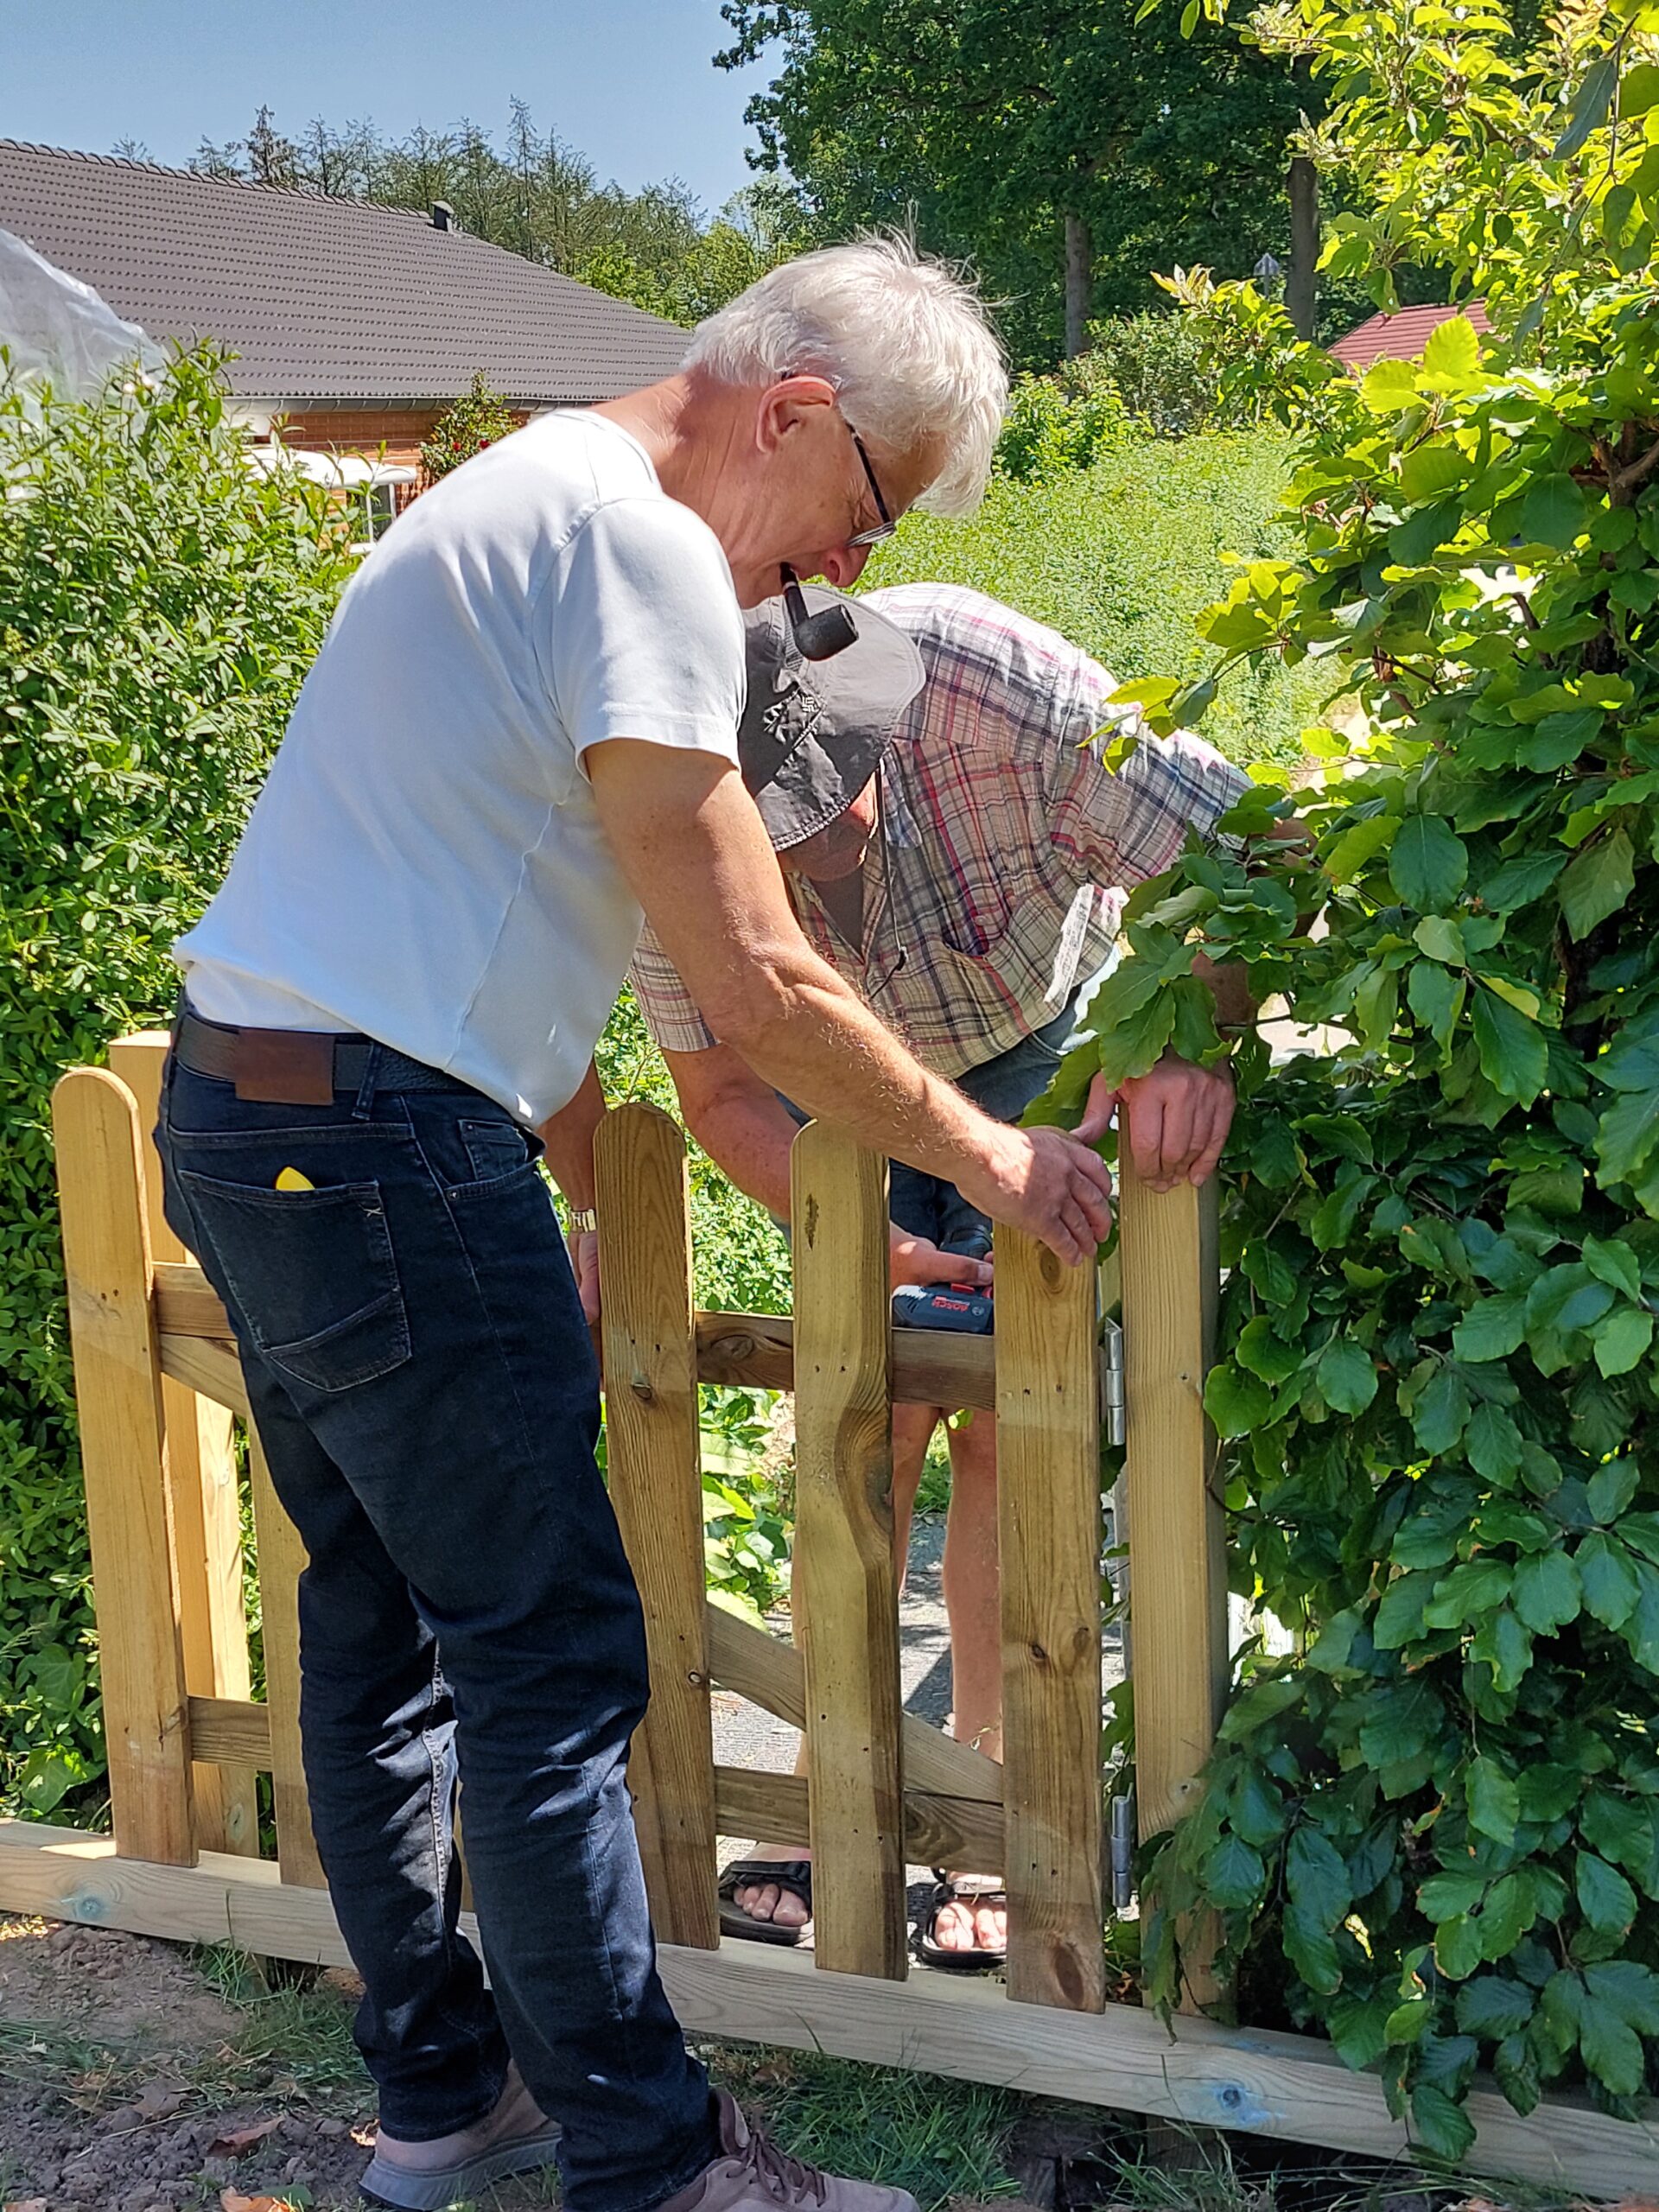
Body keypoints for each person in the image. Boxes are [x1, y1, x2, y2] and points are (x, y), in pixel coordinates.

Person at [156, 241, 1117, 2212]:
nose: (818, 583)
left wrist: (574, 1192)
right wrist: (1004, 1160)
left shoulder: (505, 502)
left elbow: (474, 897)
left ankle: (445, 2106)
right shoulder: (650, 545)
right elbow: (753, 972)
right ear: (794, 414)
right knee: (551, 1660)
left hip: (246, 1105)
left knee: (379, 1620)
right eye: (858, 517)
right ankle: (660, 2167)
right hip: (386, 1138)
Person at [593, 580, 1253, 1965]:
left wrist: (1187, 1031)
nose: (815, 847)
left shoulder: (1004, 683)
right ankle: (832, 1788)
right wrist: (870, 1247)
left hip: (1039, 1038)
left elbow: (1242, 852)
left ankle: (991, 1781)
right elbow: (722, 1099)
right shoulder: (661, 802)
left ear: (888, 727)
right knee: (860, 1404)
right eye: (773, 833)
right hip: (832, 1092)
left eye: (833, 802)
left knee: (1016, 1408)